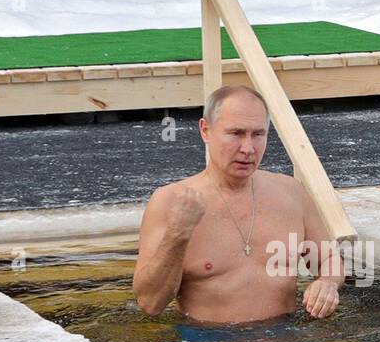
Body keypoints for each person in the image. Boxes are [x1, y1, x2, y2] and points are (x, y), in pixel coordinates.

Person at [132, 84, 344, 324]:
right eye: (236, 133)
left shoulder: (291, 193)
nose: (248, 148)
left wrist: (327, 283)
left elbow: (329, 260)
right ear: (206, 130)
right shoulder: (170, 201)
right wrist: (177, 235)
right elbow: (150, 304)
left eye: (258, 134)